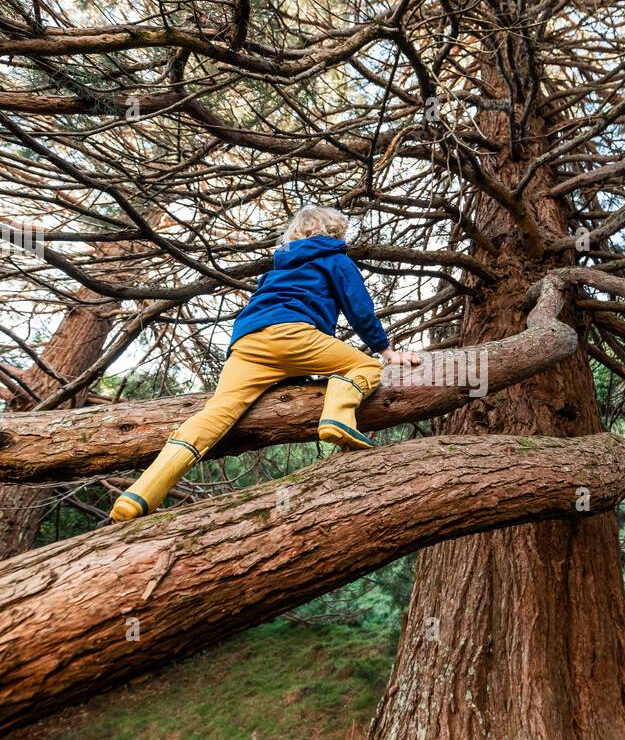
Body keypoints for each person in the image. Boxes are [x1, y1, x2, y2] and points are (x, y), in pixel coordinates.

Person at [109, 204, 420, 522]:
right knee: (365, 367)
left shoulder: (277, 268)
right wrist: (386, 350)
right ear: (336, 232)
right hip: (294, 334)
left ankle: (140, 495)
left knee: (216, 415)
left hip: (246, 344)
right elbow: (359, 306)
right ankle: (337, 416)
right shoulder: (336, 259)